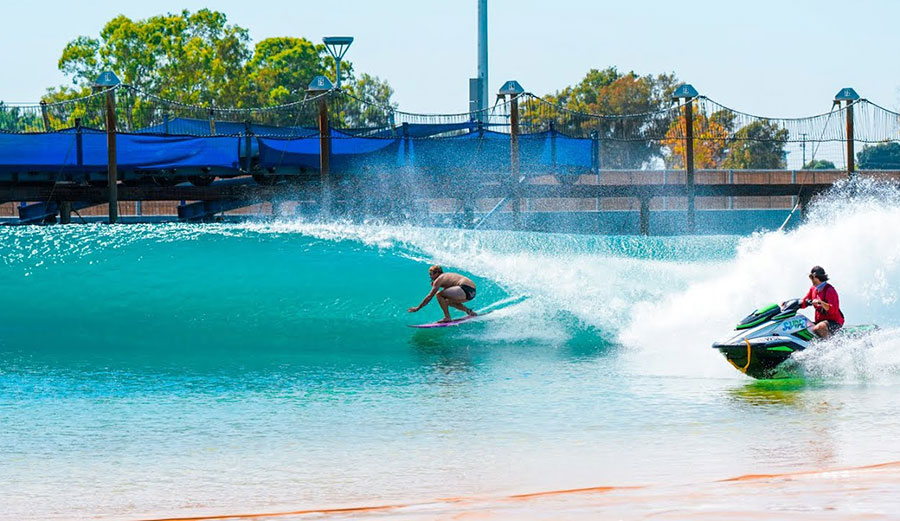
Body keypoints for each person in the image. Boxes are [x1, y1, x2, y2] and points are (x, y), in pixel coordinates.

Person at [408, 265, 477, 323]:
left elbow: (429, 296)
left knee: (438, 294)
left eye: (431, 274)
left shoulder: (439, 279)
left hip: (464, 289)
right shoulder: (447, 276)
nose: (430, 277)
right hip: (472, 292)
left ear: (437, 273)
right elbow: (452, 289)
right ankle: (469, 311)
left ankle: (447, 317)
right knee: (447, 301)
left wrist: (418, 308)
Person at [799, 265, 844, 338]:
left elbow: (833, 310)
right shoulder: (813, 289)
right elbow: (804, 302)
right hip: (820, 321)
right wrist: (788, 304)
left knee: (819, 327)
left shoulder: (830, 290)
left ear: (818, 277)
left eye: (812, 277)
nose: (811, 279)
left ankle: (828, 346)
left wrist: (821, 302)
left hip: (834, 322)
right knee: (801, 326)